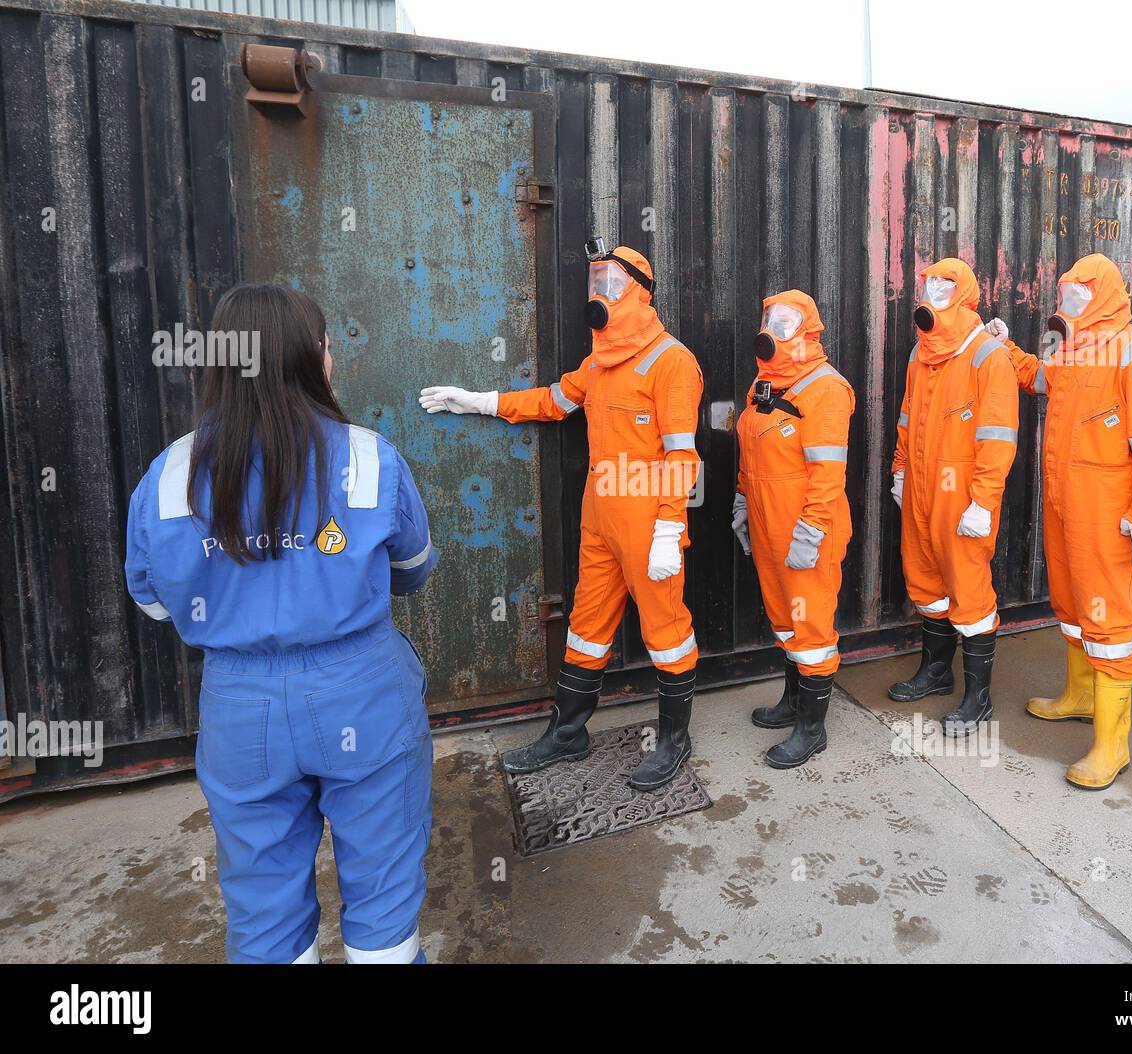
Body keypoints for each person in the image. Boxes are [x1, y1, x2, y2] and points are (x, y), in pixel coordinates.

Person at [125, 284, 435, 963]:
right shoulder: (369, 457)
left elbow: (152, 600)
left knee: (263, 910)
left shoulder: (168, 475)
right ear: (316, 359)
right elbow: (412, 570)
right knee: (383, 893)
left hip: (241, 710)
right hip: (362, 691)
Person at [419, 242, 703, 791]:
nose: (600, 293)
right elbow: (554, 401)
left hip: (648, 520)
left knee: (666, 632)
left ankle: (674, 740)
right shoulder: (599, 361)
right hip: (600, 516)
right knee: (586, 627)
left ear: (640, 293)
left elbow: (681, 454)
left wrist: (670, 528)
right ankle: (568, 732)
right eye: (596, 281)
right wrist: (479, 401)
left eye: (613, 283)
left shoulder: (671, 362)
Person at [987, 253, 1132, 790]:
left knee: (1111, 618)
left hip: (1108, 515)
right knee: (1072, 602)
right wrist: (1006, 348)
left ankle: (1112, 744)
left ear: (1104, 295)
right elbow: (1037, 379)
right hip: (1065, 504)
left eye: (1077, 295)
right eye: (1064, 294)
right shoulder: (1072, 350)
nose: (1066, 304)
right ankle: (1080, 695)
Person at [888, 259, 1019, 736]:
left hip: (962, 494)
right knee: (926, 581)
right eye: (929, 282)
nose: (935, 289)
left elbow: (998, 437)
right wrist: (900, 469)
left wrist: (983, 502)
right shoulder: (920, 353)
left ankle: (977, 698)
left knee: (968, 589)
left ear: (964, 292)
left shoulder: (987, 355)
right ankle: (936, 671)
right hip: (922, 486)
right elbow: (907, 415)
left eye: (946, 283)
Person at [732, 291, 854, 768]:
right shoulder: (764, 382)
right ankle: (792, 702)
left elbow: (827, 473)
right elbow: (750, 448)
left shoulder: (825, 388)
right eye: (769, 319)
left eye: (784, 322)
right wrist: (743, 498)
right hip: (767, 520)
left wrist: (811, 530)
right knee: (783, 617)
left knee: (811, 623)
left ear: (808, 332)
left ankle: (812, 728)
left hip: (807, 526)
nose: (772, 329)